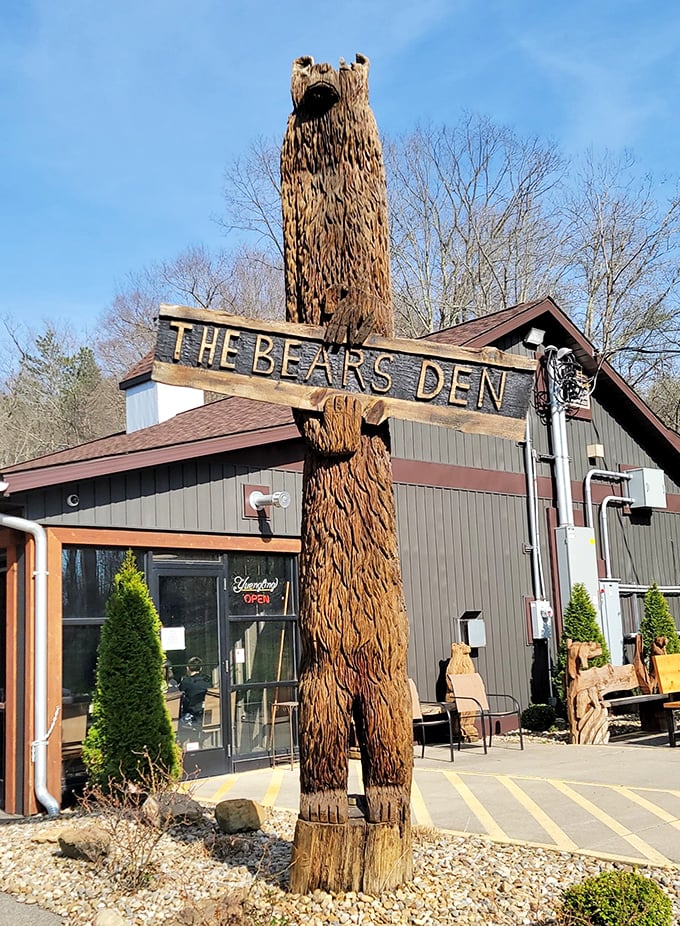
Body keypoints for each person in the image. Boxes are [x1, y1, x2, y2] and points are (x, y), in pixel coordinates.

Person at [179, 656, 209, 725]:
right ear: (201, 668)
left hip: (191, 716)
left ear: (187, 668)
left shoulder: (185, 682)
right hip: (205, 715)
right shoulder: (207, 681)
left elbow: (179, 696)